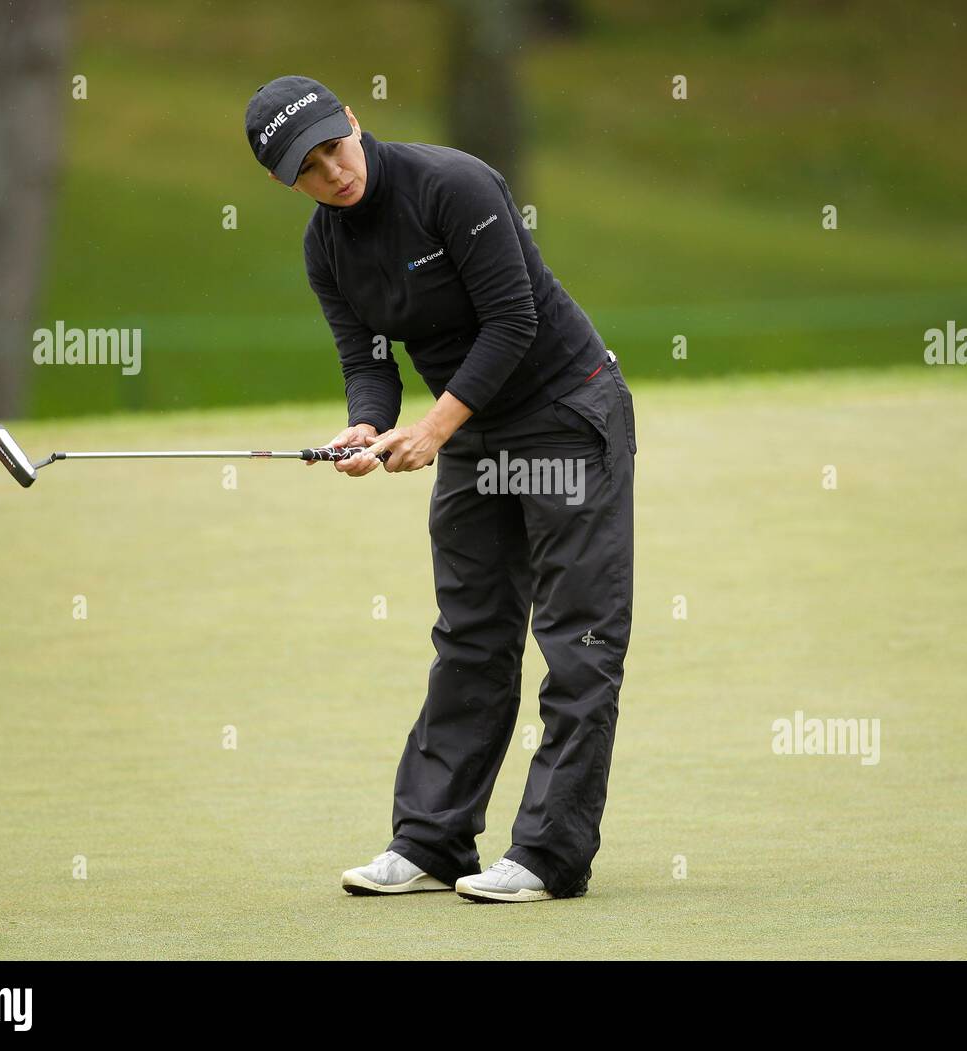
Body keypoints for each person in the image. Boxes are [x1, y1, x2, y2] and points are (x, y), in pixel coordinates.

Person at [245, 76, 636, 903]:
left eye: (334, 147)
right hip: (477, 427)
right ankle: (432, 842)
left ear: (354, 118)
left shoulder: (453, 185)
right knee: (471, 631)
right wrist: (366, 422)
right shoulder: (327, 247)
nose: (333, 172)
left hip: (566, 411)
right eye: (308, 169)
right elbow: (369, 357)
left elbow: (513, 320)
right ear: (286, 184)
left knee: (579, 640)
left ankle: (550, 854)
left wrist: (431, 430)